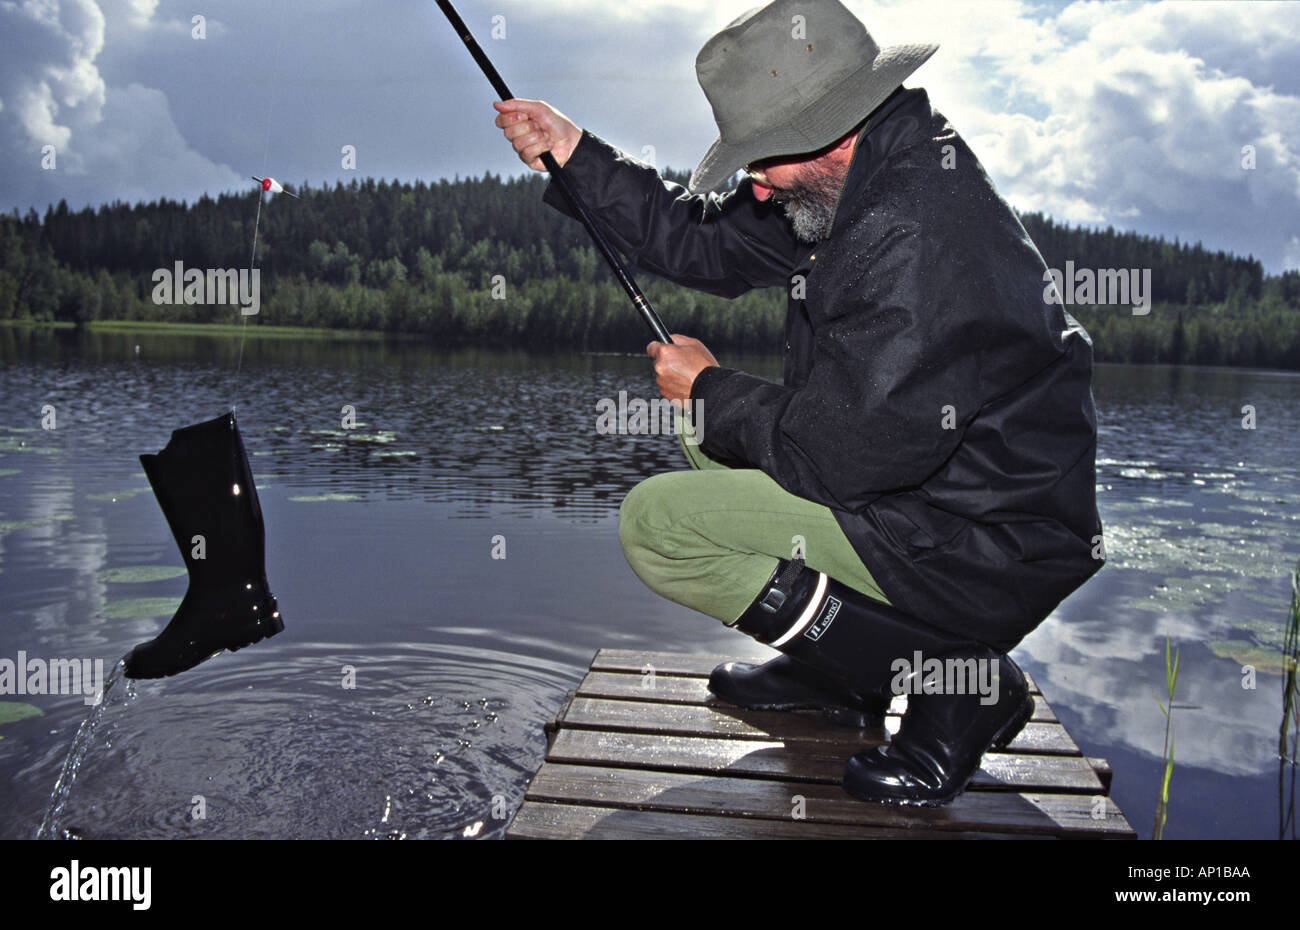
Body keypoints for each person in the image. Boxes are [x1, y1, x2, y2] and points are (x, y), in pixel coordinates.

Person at [492, 0, 1103, 807]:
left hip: (980, 546)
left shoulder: (916, 234)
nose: (752, 178)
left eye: (759, 158)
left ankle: (960, 685)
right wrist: (576, 156)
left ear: (832, 133)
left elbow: (846, 458)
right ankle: (842, 671)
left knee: (660, 523)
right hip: (925, 498)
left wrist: (710, 387)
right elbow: (700, 242)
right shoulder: (849, 181)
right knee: (707, 436)